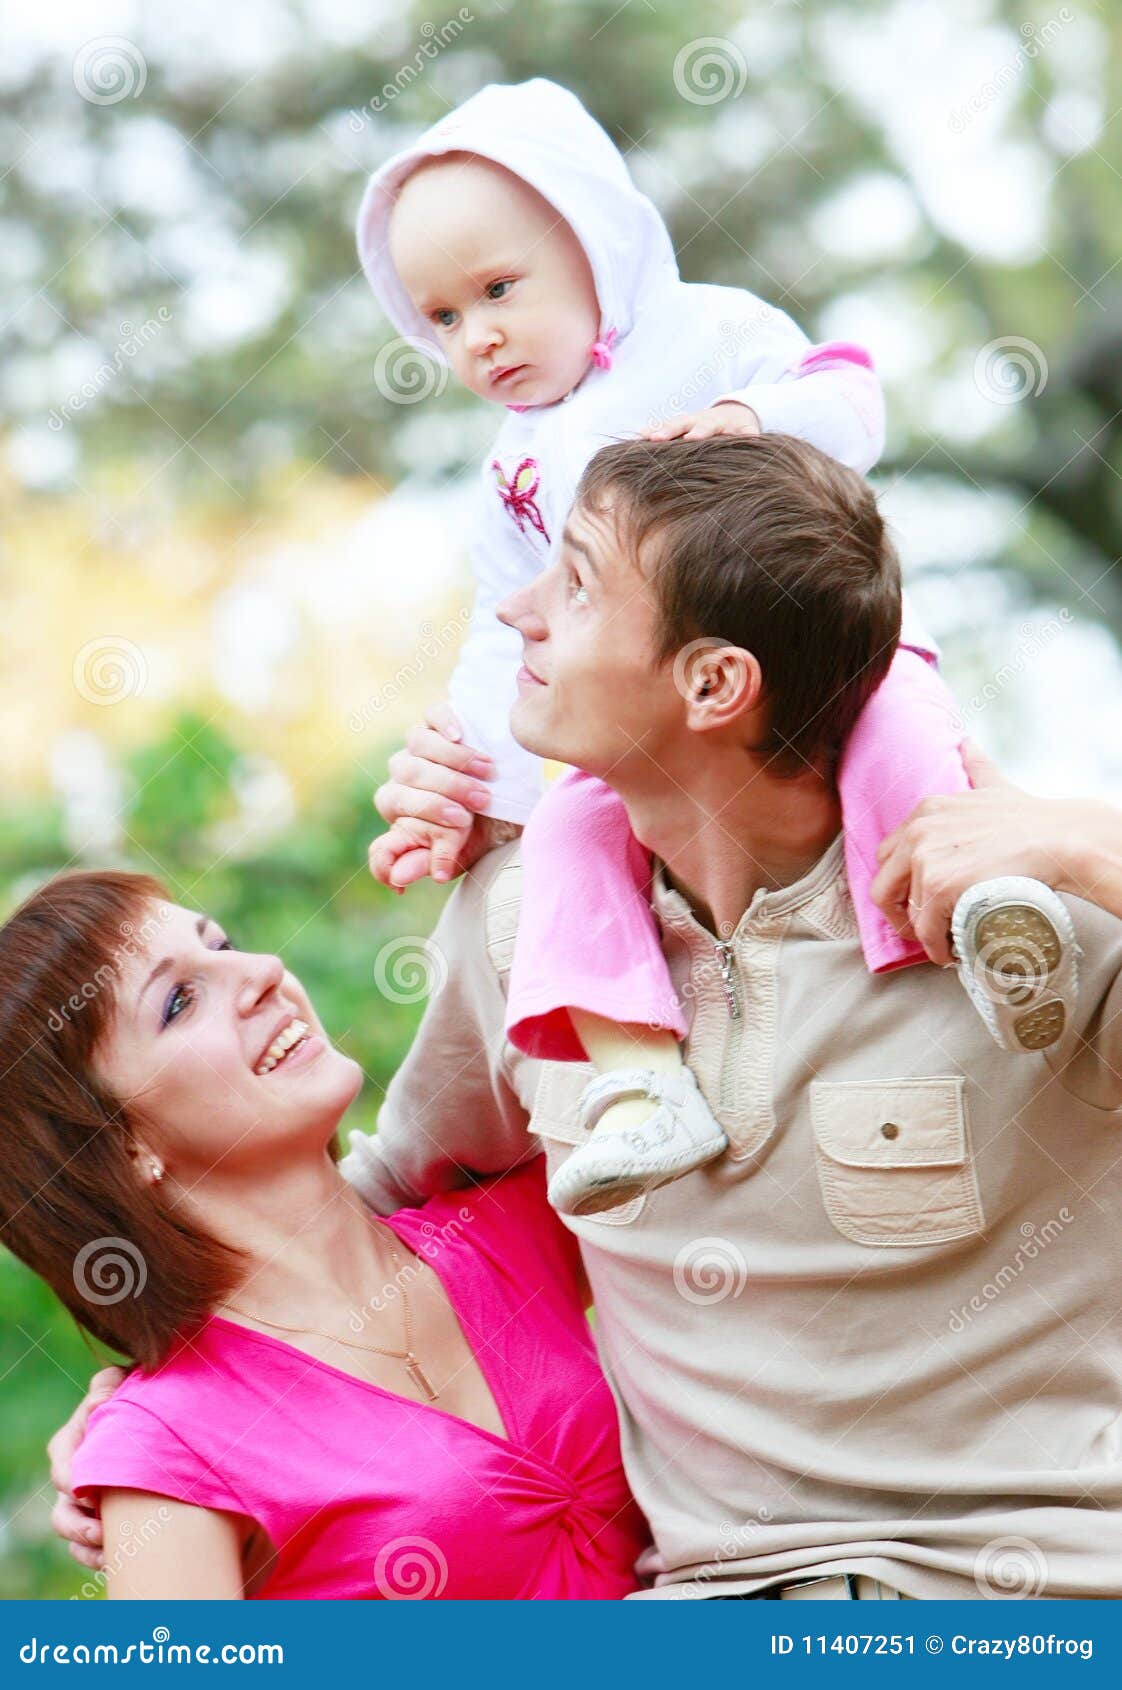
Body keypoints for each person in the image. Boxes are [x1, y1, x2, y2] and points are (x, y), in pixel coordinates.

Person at [53, 434, 1122, 1599]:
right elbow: (370, 1201)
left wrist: (1094, 843)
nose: (518, 610)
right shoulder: (515, 926)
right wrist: (155, 1414)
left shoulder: (1017, 919)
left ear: (714, 683)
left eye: (574, 581)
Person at [360, 77, 1076, 1218]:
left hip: (831, 647)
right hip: (653, 724)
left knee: (904, 747)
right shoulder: (514, 469)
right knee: (570, 843)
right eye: (443, 318)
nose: (478, 336)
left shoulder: (709, 333)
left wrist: (753, 422)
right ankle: (640, 1084)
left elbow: (846, 398)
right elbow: (504, 637)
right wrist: (487, 792)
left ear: (596, 246)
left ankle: (984, 931)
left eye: (499, 289)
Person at [0, 872, 648, 1599]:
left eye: (226, 945)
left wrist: (490, 837)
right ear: (121, 1148)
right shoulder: (170, 1447)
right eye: (179, 1001)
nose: (261, 973)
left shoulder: (506, 1229)